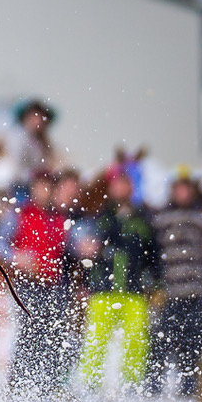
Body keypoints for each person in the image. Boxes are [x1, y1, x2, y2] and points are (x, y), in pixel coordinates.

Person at [76, 166, 161, 390]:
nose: (121, 189)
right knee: (96, 340)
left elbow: (154, 255)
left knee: (136, 340)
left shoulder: (143, 219)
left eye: (125, 185)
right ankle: (90, 385)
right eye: (117, 185)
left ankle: (132, 385)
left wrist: (156, 283)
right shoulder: (100, 217)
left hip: (134, 290)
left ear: (131, 188)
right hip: (103, 289)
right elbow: (86, 252)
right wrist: (83, 282)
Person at [0, 171, 73, 398]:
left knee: (54, 334)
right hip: (28, 283)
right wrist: (16, 256)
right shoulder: (19, 214)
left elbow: (70, 251)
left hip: (54, 285)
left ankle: (49, 386)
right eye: (40, 186)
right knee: (29, 332)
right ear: (33, 189)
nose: (43, 191)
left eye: (47, 187)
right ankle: (18, 384)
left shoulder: (60, 217)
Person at [147, 169, 202, 397]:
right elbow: (154, 254)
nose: (183, 193)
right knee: (161, 339)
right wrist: (156, 284)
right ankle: (154, 386)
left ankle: (188, 385)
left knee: (192, 341)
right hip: (169, 292)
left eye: (186, 189)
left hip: (196, 291)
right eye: (178, 189)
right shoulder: (161, 218)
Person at [7, 98, 60, 192]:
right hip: (22, 185)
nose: (38, 121)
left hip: (38, 183)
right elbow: (17, 165)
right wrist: (37, 175)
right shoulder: (19, 137)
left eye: (41, 118)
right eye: (35, 117)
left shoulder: (41, 140)